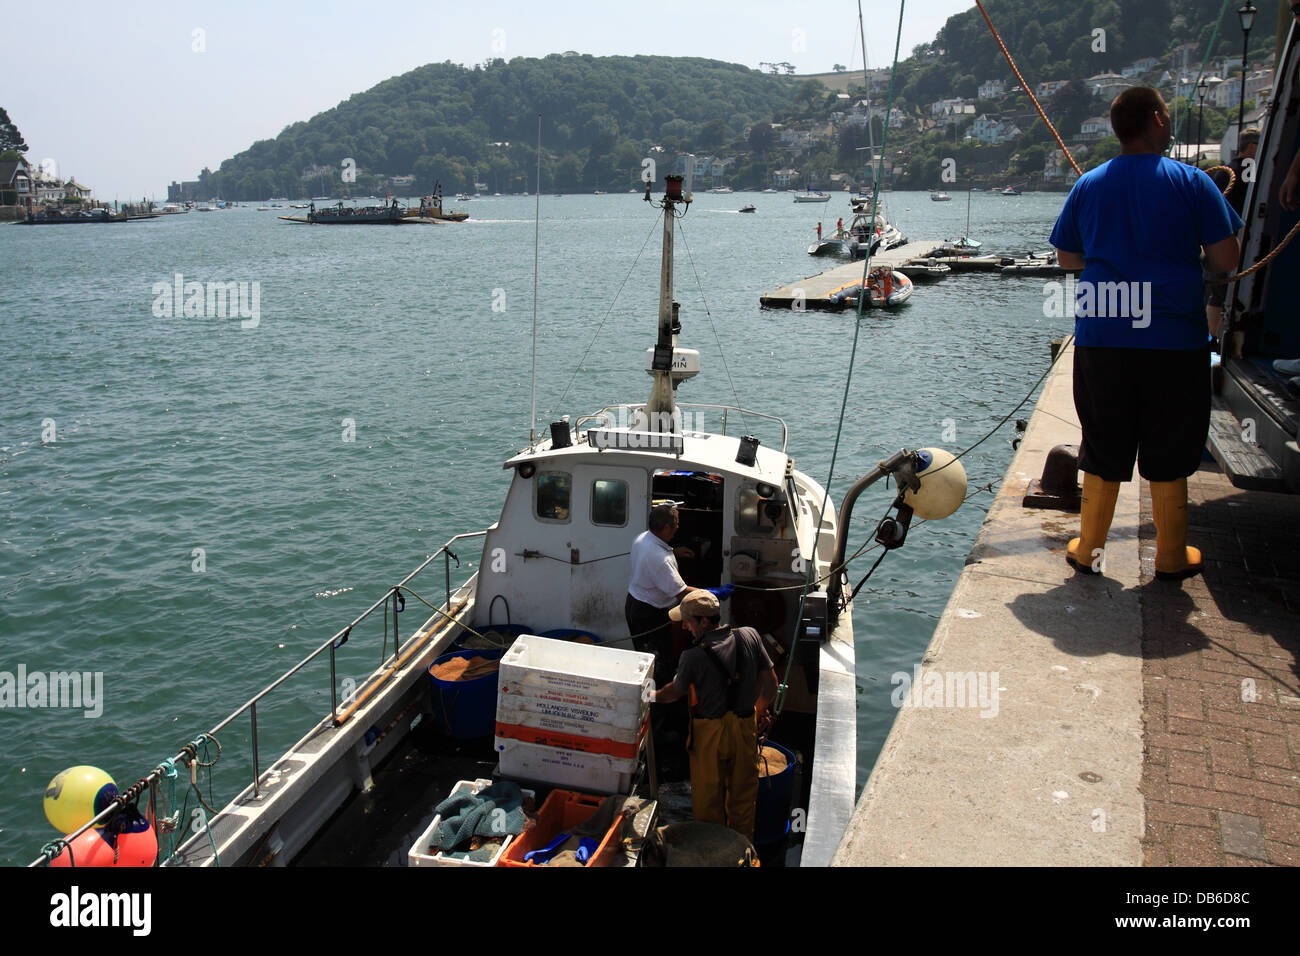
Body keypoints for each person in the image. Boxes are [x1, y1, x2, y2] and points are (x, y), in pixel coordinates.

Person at [1050, 87, 1242, 582]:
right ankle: (1171, 555)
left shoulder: (1089, 184)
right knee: (1172, 442)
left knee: (1104, 437)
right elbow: (1227, 261)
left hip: (1103, 337)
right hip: (1173, 342)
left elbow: (1068, 260)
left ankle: (1089, 548)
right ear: (1157, 119)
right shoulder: (1194, 183)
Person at [653, 590, 777, 840]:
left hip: (710, 737)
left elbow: (674, 693)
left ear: (705, 622)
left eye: (687, 621)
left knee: (708, 803)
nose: (685, 627)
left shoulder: (692, 656)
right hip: (744, 728)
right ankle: (742, 853)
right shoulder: (750, 636)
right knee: (743, 801)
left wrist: (650, 695)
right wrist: (758, 711)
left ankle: (712, 853)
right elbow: (771, 684)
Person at [625, 504, 694, 684]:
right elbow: (681, 593)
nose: (678, 527)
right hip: (649, 615)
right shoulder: (659, 558)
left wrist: (675, 552)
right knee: (658, 665)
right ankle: (656, 703)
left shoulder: (642, 538)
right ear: (666, 528)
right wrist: (712, 593)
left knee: (646, 657)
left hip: (634, 604)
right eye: (676, 523)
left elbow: (654, 560)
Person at [1206, 127, 1258, 334]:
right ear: (1253, 146)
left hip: (1222, 237)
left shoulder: (1224, 170)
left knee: (1218, 291)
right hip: (1239, 239)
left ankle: (1211, 337)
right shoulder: (1249, 168)